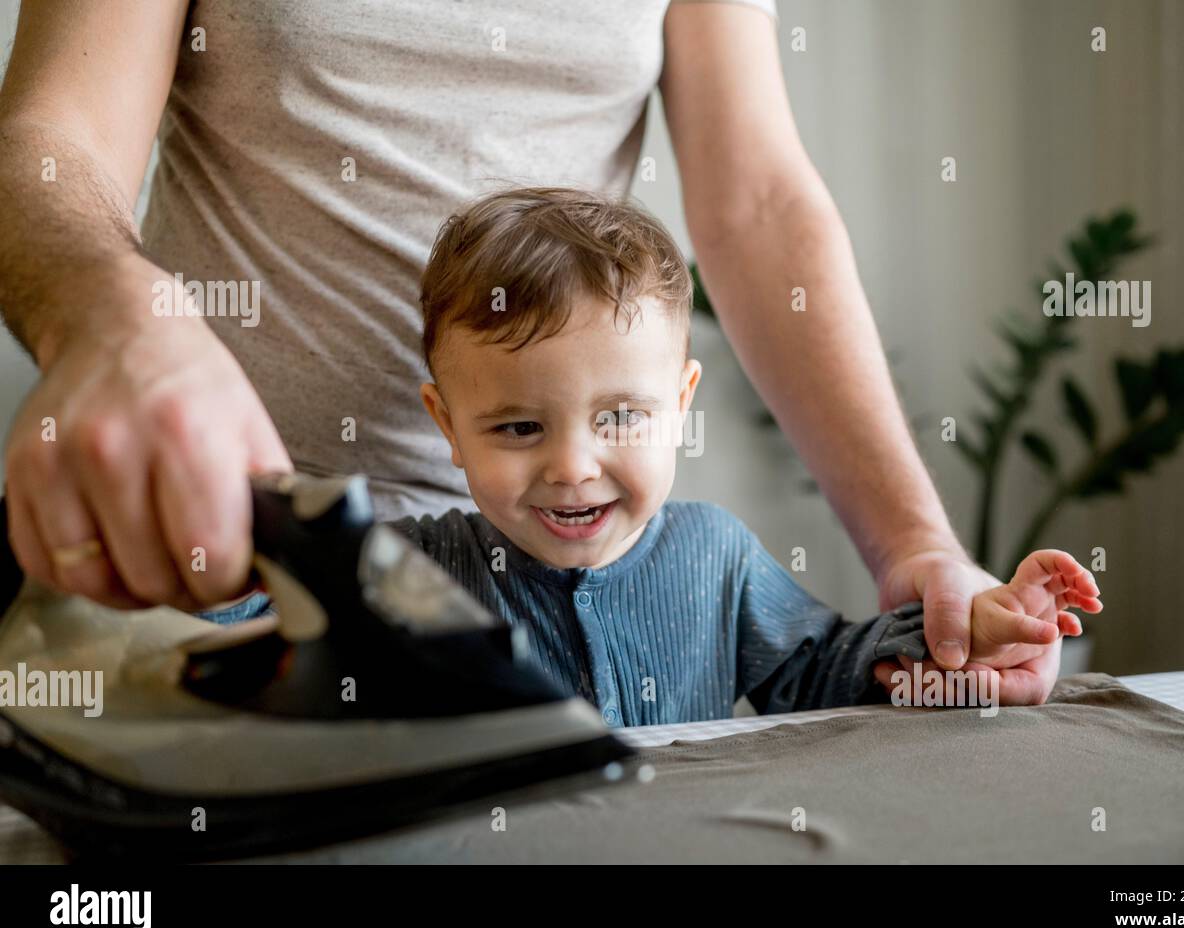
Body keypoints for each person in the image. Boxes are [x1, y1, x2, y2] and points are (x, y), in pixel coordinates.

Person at [0, 0, 1062, 704]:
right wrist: (119, 318)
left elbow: (758, 205)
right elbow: (50, 144)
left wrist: (915, 554)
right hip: (228, 567)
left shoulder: (698, 566)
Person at [381, 186, 1101, 723]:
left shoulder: (715, 555)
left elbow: (830, 669)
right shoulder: (399, 568)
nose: (572, 467)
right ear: (448, 424)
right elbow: (276, 630)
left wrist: (968, 637)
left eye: (623, 417)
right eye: (517, 430)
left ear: (680, 404)